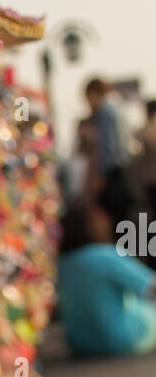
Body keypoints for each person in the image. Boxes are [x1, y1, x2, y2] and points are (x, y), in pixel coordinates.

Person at [56, 205, 156, 356]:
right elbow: (151, 286)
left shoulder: (61, 263)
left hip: (81, 344)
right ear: (89, 225)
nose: (107, 222)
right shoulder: (105, 256)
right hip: (120, 341)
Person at [80, 78, 136, 228]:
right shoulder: (117, 108)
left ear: (94, 94)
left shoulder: (105, 113)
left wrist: (100, 175)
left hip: (112, 174)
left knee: (115, 219)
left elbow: (107, 147)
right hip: (122, 171)